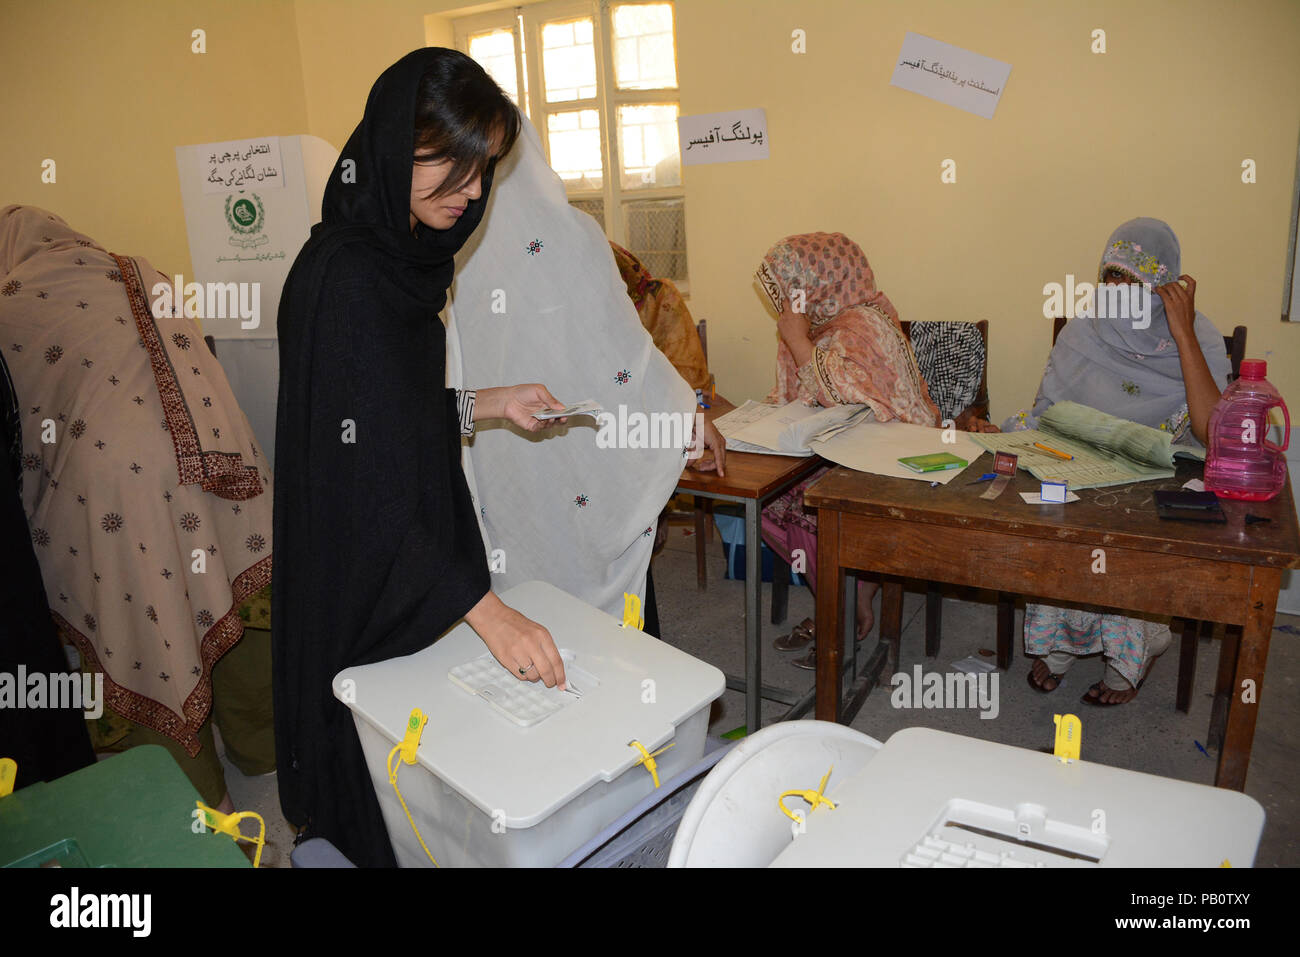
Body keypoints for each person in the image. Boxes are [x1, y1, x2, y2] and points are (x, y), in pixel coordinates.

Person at [273, 49, 576, 867]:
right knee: (367, 767)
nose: (475, 191)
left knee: (411, 737)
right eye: (459, 166)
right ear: (391, 145)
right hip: (357, 574)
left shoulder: (392, 259)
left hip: (383, 555)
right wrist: (487, 609)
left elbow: (380, 419)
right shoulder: (348, 281)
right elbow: (365, 480)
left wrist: (488, 402)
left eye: (486, 169)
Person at [0, 204, 273, 809]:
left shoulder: (9, 305)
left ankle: (194, 796)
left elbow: (19, 433)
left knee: (152, 624)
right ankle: (265, 750)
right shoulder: (131, 268)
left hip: (114, 495)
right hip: (216, 464)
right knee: (234, 600)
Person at [446, 110, 723, 631]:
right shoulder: (572, 239)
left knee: (513, 593)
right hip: (583, 453)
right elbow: (628, 357)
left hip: (490, 455)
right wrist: (686, 413)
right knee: (605, 600)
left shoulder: (446, 248)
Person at [1007, 217, 1231, 704]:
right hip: (1082, 470)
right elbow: (1050, 414)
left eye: (1134, 281)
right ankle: (1061, 646)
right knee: (1052, 524)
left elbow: (1212, 434)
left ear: (1167, 286)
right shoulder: (1083, 331)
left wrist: (1183, 331)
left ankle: (1133, 656)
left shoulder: (1201, 339)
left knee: (1133, 546)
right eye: (1111, 276)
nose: (1118, 290)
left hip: (1158, 477)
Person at [756, 232, 941, 668]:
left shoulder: (865, 324)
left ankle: (842, 606)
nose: (786, 304)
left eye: (789, 291)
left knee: (810, 509)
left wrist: (800, 342)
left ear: (820, 282)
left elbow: (854, 401)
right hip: (839, 451)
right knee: (764, 504)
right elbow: (791, 399)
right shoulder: (812, 326)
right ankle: (850, 594)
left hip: (896, 456)